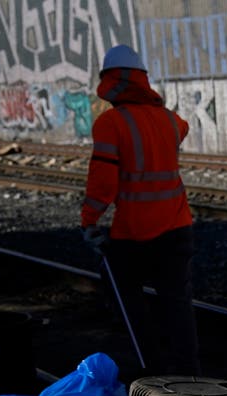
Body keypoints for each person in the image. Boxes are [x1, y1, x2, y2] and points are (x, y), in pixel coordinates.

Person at [80, 44, 200, 376]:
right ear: (144, 80)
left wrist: (89, 221)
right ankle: (190, 375)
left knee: (126, 299)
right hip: (178, 229)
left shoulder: (110, 124)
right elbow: (184, 126)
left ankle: (153, 371)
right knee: (177, 304)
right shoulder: (170, 121)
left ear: (109, 81)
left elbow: (102, 185)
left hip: (133, 233)